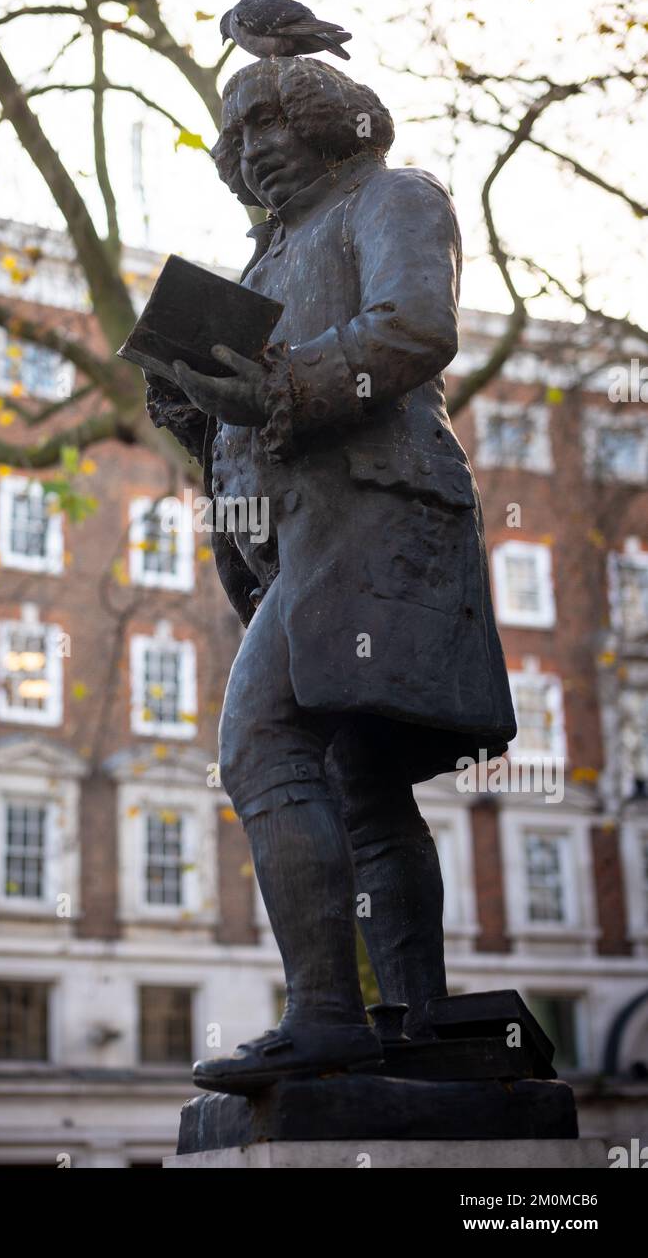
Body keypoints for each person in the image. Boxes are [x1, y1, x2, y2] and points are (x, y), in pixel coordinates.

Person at [144, 56, 516, 1095]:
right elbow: (249, 409)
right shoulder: (260, 268)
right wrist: (190, 404)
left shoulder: (393, 199)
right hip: (294, 539)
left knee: (262, 740)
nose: (249, 142)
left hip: (375, 511)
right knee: (358, 780)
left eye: (268, 117)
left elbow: (412, 328)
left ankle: (326, 1015)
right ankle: (413, 1015)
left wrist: (278, 383)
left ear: (326, 118)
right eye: (236, 130)